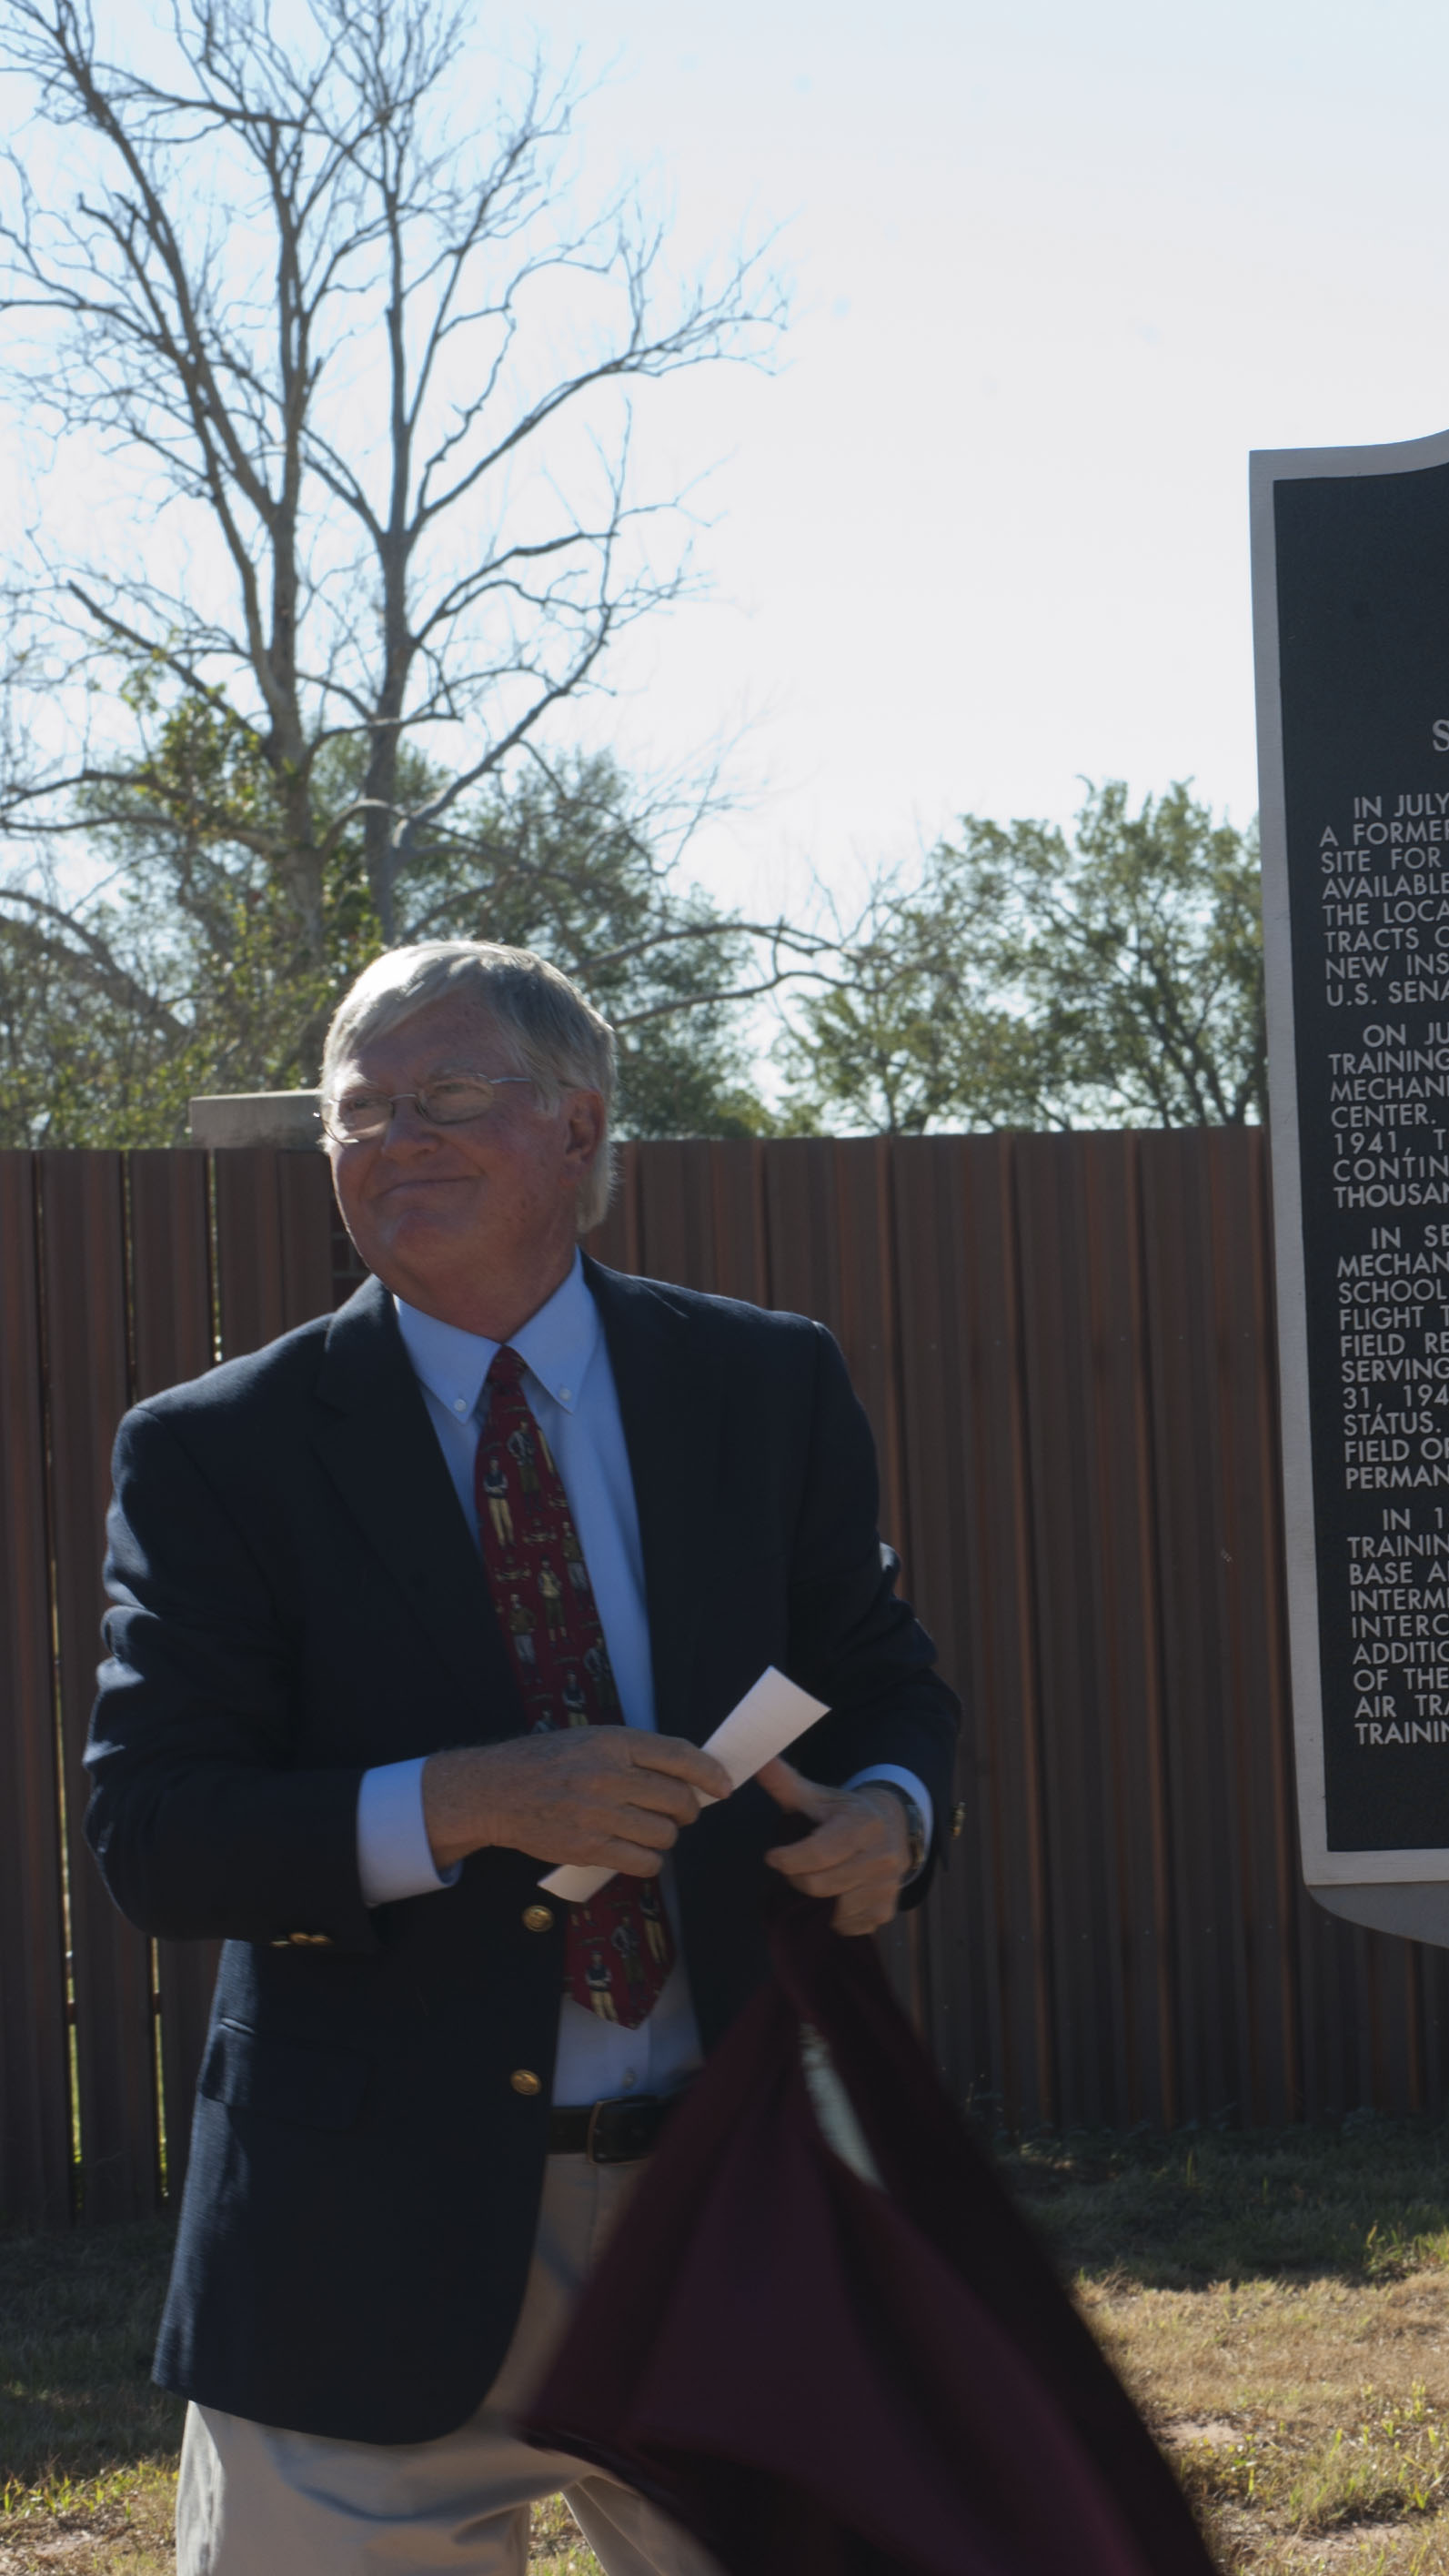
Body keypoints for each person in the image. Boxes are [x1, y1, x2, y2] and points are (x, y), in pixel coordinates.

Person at [82, 941, 962, 2574]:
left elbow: (882, 1688)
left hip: (737, 2206)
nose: (396, 1136)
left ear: (579, 1126)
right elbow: (156, 1832)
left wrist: (891, 1819)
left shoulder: (763, 1385)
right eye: (361, 1110)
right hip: (358, 2251)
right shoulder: (217, 1452)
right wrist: (470, 1799)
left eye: (450, 1095)